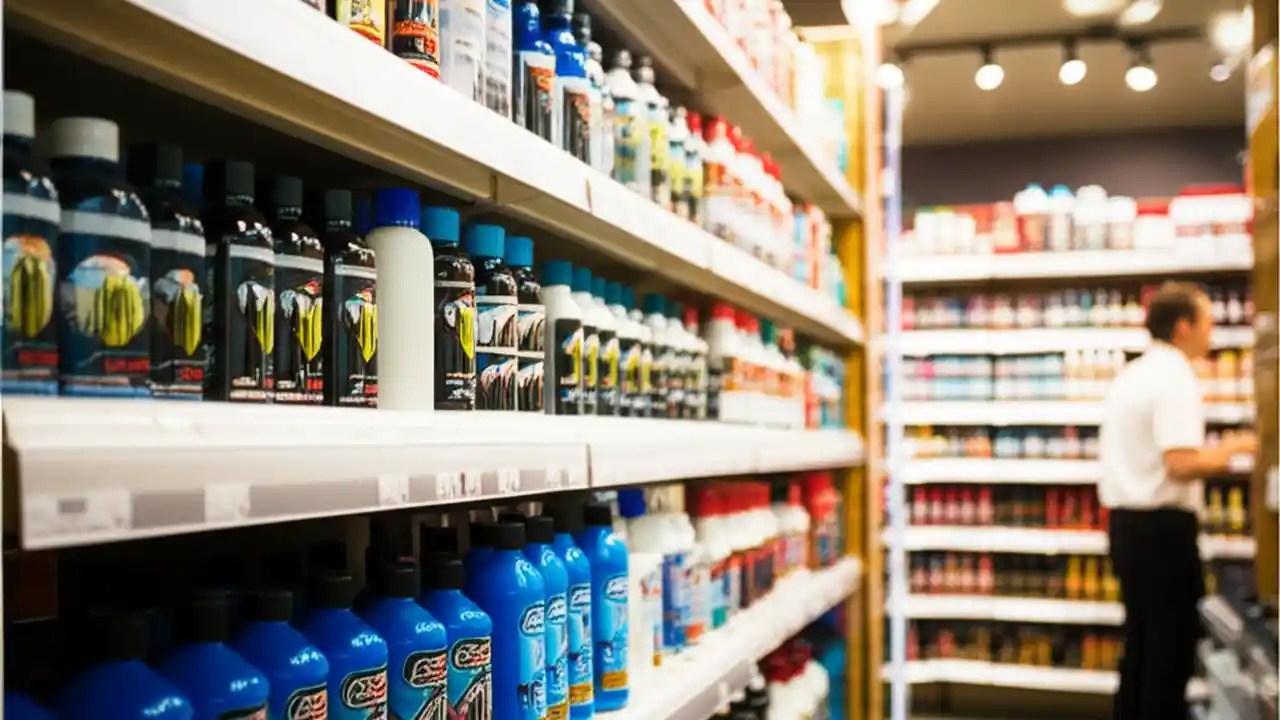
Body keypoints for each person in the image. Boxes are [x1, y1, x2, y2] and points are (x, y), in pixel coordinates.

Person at [1099, 281, 1257, 720]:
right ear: (1183, 326)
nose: (1213, 333)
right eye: (1208, 322)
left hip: (1127, 526)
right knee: (1170, 653)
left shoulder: (1134, 372)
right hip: (1162, 532)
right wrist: (1238, 449)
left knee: (1142, 647)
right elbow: (1181, 463)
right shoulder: (1175, 377)